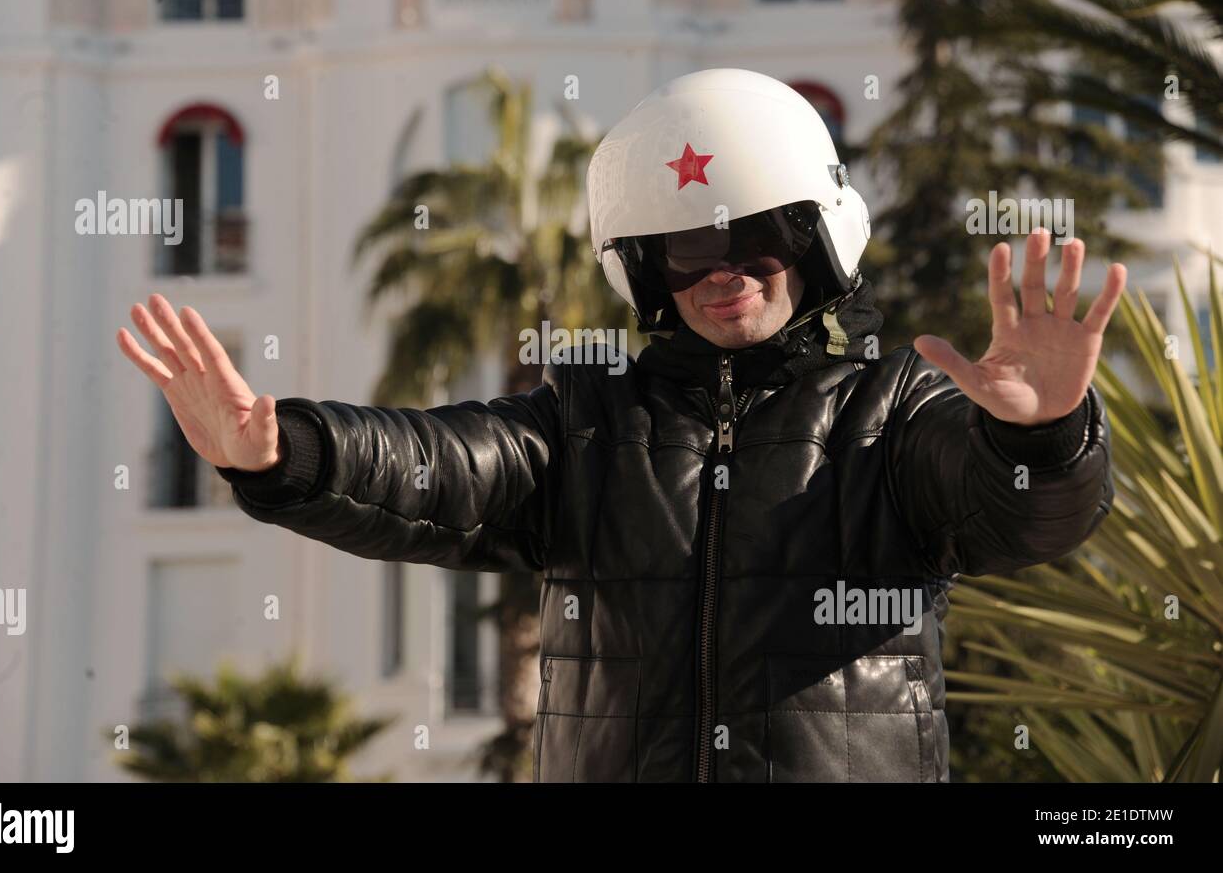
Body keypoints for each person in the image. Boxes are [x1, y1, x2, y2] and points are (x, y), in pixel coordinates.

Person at [118, 68, 1123, 782]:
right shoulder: (589, 420)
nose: (723, 272)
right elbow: (435, 465)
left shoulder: (893, 410)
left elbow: (1025, 518)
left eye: (760, 238)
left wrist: (1040, 435)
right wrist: (279, 449)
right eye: (686, 251)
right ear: (645, 271)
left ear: (816, 242)